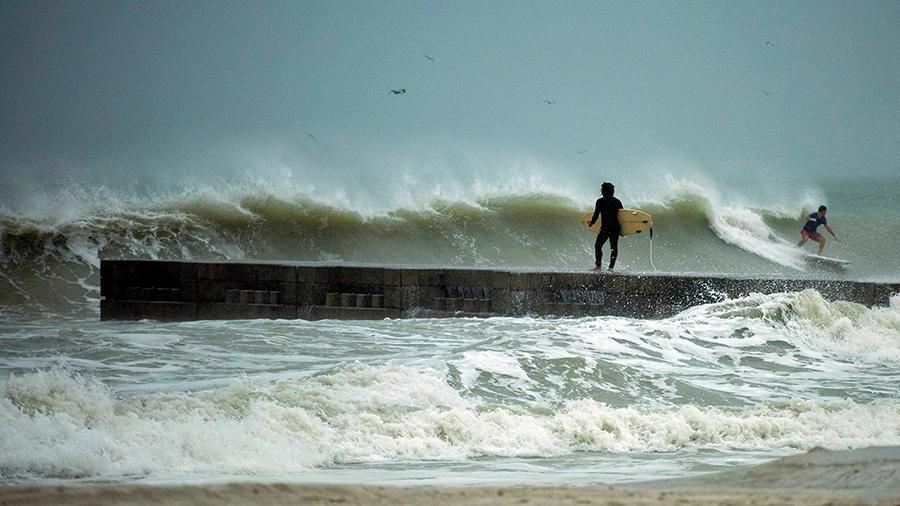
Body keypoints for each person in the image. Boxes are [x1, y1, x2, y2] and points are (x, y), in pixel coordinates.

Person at [589, 182, 623, 272]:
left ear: (603, 191)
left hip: (606, 228)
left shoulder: (600, 201)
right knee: (613, 247)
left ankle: (598, 266)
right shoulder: (617, 201)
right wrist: (623, 230)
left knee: (598, 245)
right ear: (612, 191)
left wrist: (591, 223)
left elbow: (596, 215)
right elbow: (623, 217)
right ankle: (611, 268)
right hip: (615, 228)